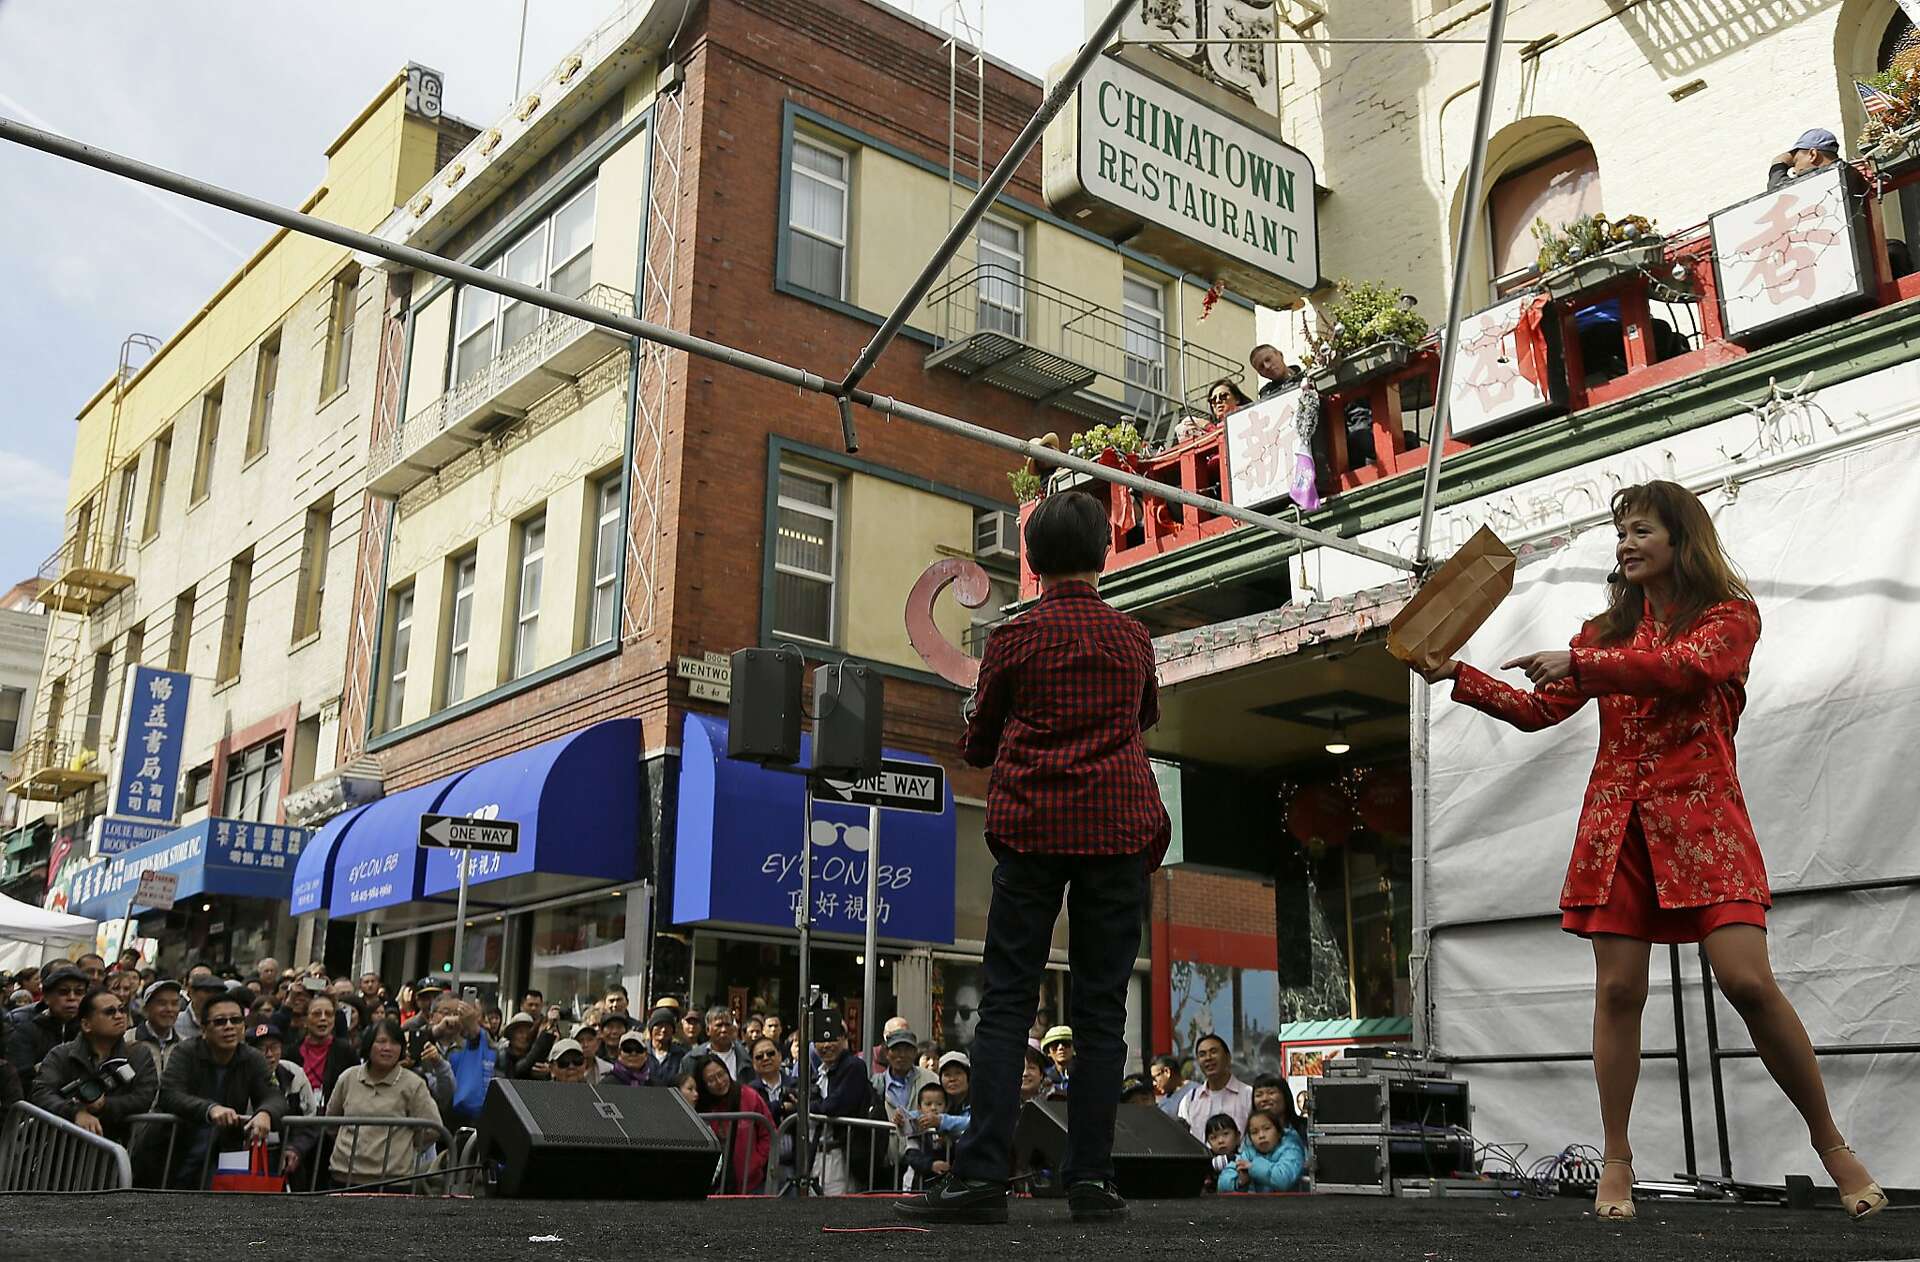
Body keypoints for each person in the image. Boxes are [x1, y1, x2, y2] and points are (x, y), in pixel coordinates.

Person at [1419, 479, 1885, 1222]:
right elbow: (1541, 711)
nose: (1627, 545)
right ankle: (1617, 1161)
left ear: (1680, 540)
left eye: (1640, 531)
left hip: (1705, 826)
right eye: (1621, 534)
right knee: (1617, 992)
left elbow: (1685, 670)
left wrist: (1583, 665)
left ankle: (1831, 1144)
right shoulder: (1603, 630)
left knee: (1748, 982)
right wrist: (1458, 677)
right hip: (1617, 828)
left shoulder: (1730, 618)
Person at [899, 489, 1172, 1227]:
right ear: (1102, 554)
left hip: (1031, 830)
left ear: (1033, 560)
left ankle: (983, 1177)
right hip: (1116, 830)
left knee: (1008, 1002)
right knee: (1101, 1010)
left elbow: (980, 740)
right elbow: (1145, 717)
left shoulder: (1013, 639)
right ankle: (1091, 1180)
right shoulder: (1132, 639)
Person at [160, 992, 286, 1189]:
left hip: (226, 1152)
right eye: (220, 1021)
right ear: (204, 1028)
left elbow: (273, 1095)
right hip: (177, 1149)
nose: (229, 1026)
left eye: (235, 1020)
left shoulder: (252, 1057)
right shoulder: (186, 1052)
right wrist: (210, 1109)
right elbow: (169, 1093)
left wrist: (265, 1113)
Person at [30, 987, 159, 1148]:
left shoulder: (138, 1054)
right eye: (109, 1012)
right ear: (86, 1024)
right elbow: (42, 1093)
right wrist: (75, 1112)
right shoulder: (61, 1055)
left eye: (122, 1009)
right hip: (62, 1150)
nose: (119, 1016)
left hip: (116, 1147)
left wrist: (103, 1105)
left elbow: (144, 1096)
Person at [326, 1019, 443, 1189]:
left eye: (395, 1043)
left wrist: (402, 1146)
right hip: (344, 1175)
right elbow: (331, 1122)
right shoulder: (348, 1078)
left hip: (394, 1180)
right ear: (369, 1044)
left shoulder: (413, 1084)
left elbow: (433, 1128)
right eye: (381, 1041)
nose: (387, 1048)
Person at [688, 1051, 775, 1193]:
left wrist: (756, 1161)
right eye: (711, 1080)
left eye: (721, 1074)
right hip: (714, 1185)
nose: (719, 1082)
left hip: (751, 1183)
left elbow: (768, 1133)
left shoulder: (749, 1095)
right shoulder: (701, 1106)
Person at [807, 1011, 871, 1195]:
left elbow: (832, 1107)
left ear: (844, 1039)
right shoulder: (818, 1072)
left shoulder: (853, 1066)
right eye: (821, 1039)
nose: (826, 1045)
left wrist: (807, 1107)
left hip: (840, 1155)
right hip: (815, 1155)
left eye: (833, 1038)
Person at [6, 962, 88, 1080]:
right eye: (63, 992)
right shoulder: (26, 1031)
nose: (72, 997)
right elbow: (20, 1076)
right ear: (46, 997)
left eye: (79, 992)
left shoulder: (91, 1031)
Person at [1178, 1034, 1253, 1145]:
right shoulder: (1190, 1100)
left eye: (1213, 1052)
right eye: (1202, 1055)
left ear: (1228, 1057)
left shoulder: (1248, 1095)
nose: (1208, 1058)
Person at [1217, 1108, 1306, 1193]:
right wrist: (1240, 1182)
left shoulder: (1292, 1150)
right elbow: (1222, 1184)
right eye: (1254, 1132)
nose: (1261, 1135)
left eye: (1267, 1128)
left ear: (1279, 1132)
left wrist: (1253, 1168)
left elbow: (1284, 1179)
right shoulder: (1248, 1153)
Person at [298, 993, 359, 1105]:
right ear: (305, 1020)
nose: (323, 1018)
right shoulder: (293, 1051)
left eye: (329, 1014)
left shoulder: (345, 1051)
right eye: (316, 1014)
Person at [128, 978, 187, 1076]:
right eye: (162, 1003)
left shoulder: (183, 1046)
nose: (169, 1009)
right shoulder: (129, 1040)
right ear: (146, 1008)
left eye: (175, 1003)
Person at [901, 1082, 953, 1191]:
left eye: (939, 1104)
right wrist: (931, 1165)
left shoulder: (948, 1129)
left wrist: (948, 1144)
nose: (933, 1108)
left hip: (941, 1185)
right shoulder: (915, 1129)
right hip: (916, 1184)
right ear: (919, 1108)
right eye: (928, 1104)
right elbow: (911, 1155)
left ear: (946, 1106)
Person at [1767, 128, 1841, 191]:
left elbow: (1777, 189)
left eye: (1795, 162)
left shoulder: (1815, 180)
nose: (1794, 172)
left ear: (1813, 155)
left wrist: (1778, 162)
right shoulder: (1846, 175)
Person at [692, 1004, 750, 1080]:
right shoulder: (692, 1059)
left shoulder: (746, 1057)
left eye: (727, 1025)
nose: (724, 1030)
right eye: (719, 1025)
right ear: (708, 1030)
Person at [642, 1005, 689, 1083]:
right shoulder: (640, 1051)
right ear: (651, 1029)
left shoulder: (681, 1055)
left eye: (667, 1026)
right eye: (659, 1026)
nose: (663, 1030)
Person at [1202, 1113, 1240, 1192]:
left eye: (1225, 1134)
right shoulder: (1205, 1163)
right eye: (1213, 1137)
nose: (1220, 1141)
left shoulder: (1244, 1158)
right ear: (1208, 1142)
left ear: (1237, 1136)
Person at [1151, 1054, 1192, 1119]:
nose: (1154, 1083)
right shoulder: (1163, 1100)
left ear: (1167, 1072)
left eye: (1155, 1078)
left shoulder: (1194, 1093)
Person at [1040, 1025, 1075, 1094]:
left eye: (1066, 1043)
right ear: (1048, 1052)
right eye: (1055, 1045)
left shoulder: (1086, 1075)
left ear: (1074, 1048)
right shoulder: (1042, 1077)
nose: (1060, 1048)